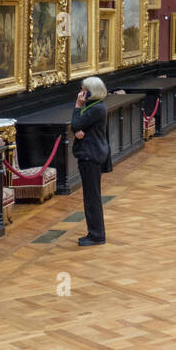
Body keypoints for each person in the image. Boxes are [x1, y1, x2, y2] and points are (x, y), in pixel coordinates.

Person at [71, 76, 111, 246]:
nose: (81, 93)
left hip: (90, 155)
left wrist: (77, 106)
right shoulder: (95, 106)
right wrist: (78, 129)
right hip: (92, 153)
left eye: (84, 90)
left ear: (91, 92)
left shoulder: (96, 108)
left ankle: (96, 235)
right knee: (91, 196)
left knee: (92, 197)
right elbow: (78, 126)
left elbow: (75, 123)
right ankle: (95, 233)